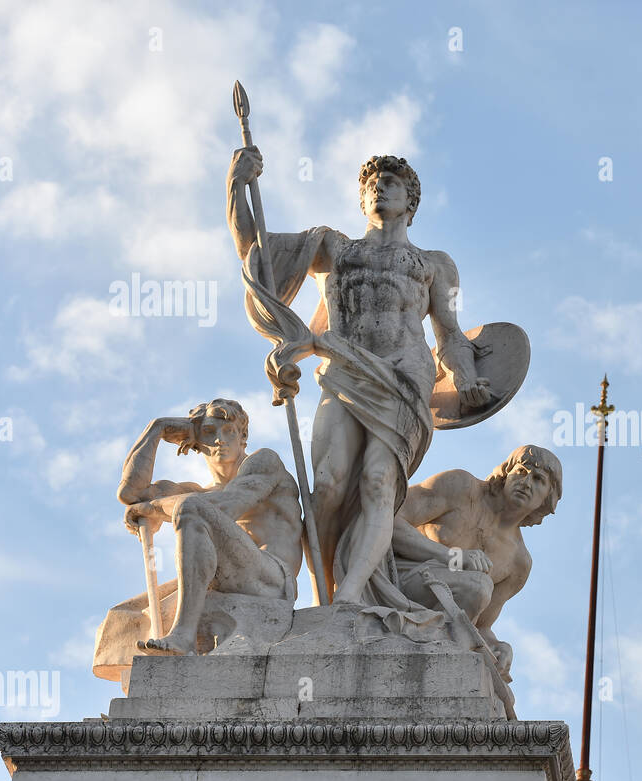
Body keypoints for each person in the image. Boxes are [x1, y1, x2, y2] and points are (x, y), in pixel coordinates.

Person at [227, 148, 491, 606]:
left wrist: (464, 378)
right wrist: (237, 185)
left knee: (376, 483)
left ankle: (350, 596)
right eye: (371, 184)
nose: (378, 187)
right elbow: (257, 258)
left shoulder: (434, 264)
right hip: (344, 370)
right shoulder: (332, 248)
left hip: (406, 378)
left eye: (390, 182)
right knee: (328, 484)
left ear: (411, 200)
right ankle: (328, 593)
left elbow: (449, 333)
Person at [118, 399, 301, 654]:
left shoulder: (264, 462)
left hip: (273, 578)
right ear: (195, 441)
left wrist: (151, 509)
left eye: (229, 432)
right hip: (228, 577)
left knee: (190, 507)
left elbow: (225, 507)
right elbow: (131, 493)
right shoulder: (199, 493)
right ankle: (183, 633)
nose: (219, 440)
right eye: (208, 432)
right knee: (128, 614)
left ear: (243, 436)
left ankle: (183, 636)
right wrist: (156, 429)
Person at [387, 446, 563, 678]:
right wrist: (452, 557)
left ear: (547, 498)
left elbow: (479, 624)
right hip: (396, 581)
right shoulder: (461, 487)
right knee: (478, 585)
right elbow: (386, 518)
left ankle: (441, 667)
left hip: (445, 619)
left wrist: (499, 647)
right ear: (505, 473)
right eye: (521, 471)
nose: (526, 482)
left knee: (478, 588)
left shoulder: (519, 563)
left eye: (538, 479)